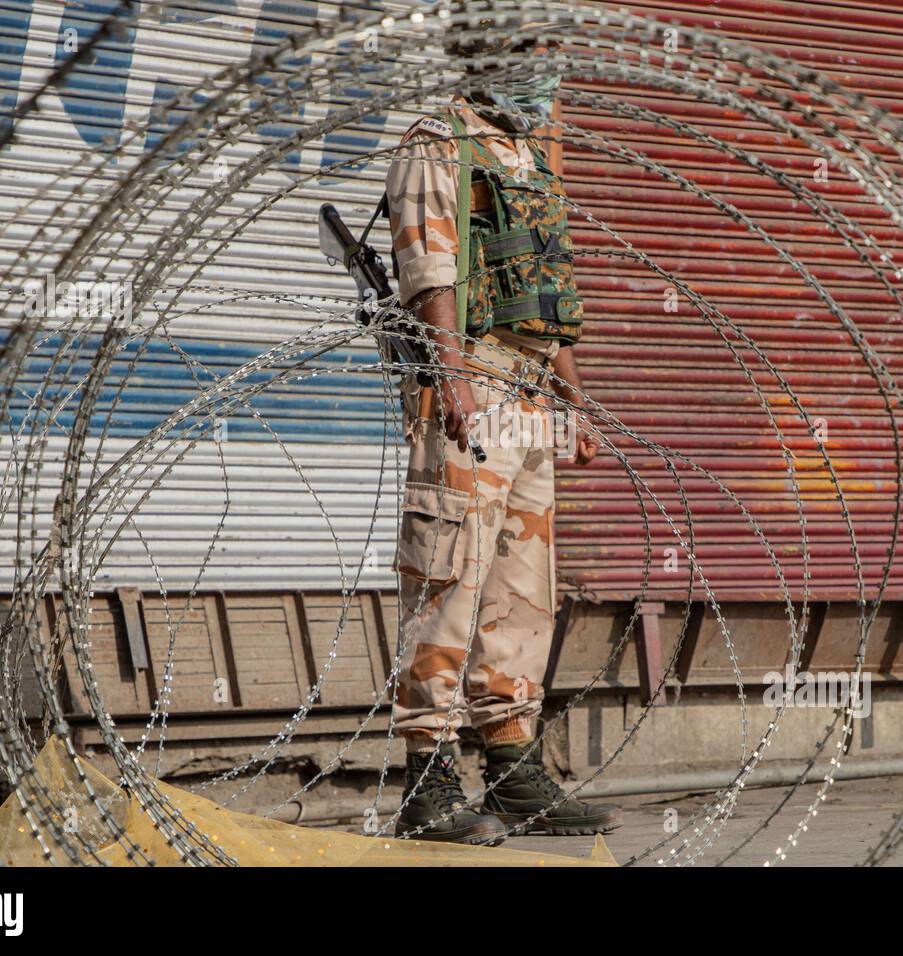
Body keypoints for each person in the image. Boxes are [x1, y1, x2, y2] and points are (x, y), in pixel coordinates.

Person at [382, 27, 621, 845]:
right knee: (447, 574)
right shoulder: (435, 141)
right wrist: (452, 380)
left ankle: (513, 762)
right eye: (528, 44)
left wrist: (575, 403)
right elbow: (432, 274)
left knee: (521, 585)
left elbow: (545, 295)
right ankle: (428, 775)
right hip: (471, 383)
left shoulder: (524, 154)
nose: (546, 63)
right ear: (484, 48)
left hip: (525, 391)